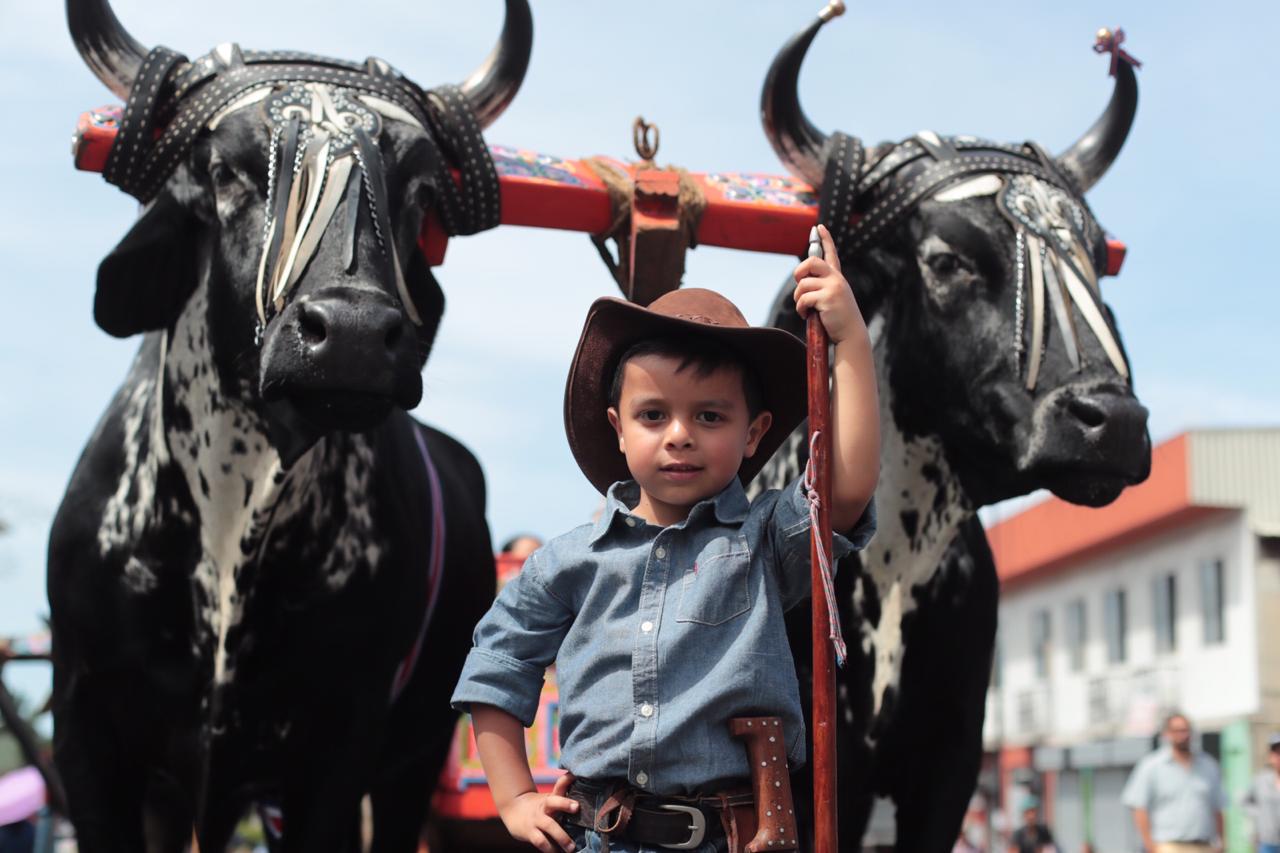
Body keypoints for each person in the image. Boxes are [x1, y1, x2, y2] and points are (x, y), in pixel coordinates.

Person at [450, 224, 879, 853]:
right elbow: (497, 665)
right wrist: (513, 796)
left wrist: (851, 344)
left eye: (710, 415)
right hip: (600, 835)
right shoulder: (566, 563)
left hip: (736, 837)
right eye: (654, 415)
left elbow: (845, 487)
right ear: (617, 428)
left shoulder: (764, 542)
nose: (679, 434)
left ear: (755, 433)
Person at [1122, 711, 1226, 853]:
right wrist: (1150, 846)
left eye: (1186, 730)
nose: (1183, 735)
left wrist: (1222, 843)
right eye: (1177, 731)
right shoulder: (1152, 766)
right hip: (1169, 846)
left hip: (1204, 845)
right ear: (1167, 734)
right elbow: (1139, 808)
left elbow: (1218, 807)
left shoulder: (1208, 765)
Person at [1243, 734, 1280, 853]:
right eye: (1276, 753)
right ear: (1270, 756)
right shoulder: (1261, 779)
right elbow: (1244, 800)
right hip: (1267, 842)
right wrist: (1260, 815)